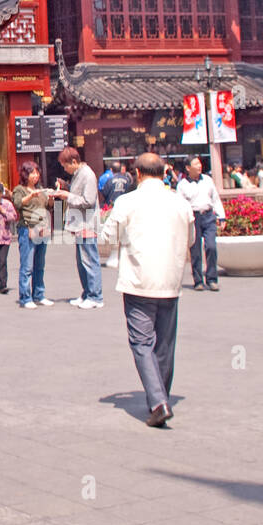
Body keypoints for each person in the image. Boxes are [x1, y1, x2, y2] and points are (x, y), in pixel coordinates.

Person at [99, 152, 194, 426]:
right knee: (164, 345)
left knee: (142, 343)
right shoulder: (179, 202)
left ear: (137, 174)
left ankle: (158, 401)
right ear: (165, 172)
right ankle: (160, 395)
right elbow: (192, 239)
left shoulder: (127, 201)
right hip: (171, 281)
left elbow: (109, 236)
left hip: (139, 281)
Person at [52, 147, 102, 308]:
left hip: (87, 223)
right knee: (82, 261)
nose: (65, 169)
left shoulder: (87, 175)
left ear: (74, 162)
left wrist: (67, 195)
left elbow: (89, 201)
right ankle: (87, 293)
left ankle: (95, 296)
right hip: (80, 224)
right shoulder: (79, 174)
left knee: (89, 261)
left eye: (65, 166)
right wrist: (66, 186)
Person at [175, 155, 225, 292]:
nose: (199, 166)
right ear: (187, 168)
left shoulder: (208, 180)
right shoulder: (182, 185)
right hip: (193, 218)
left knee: (211, 247)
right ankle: (198, 280)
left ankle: (212, 279)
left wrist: (221, 216)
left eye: (199, 163)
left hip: (208, 216)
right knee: (195, 250)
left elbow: (215, 199)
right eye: (195, 164)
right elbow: (180, 206)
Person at [12, 162, 53, 309]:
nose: (35, 176)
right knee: (27, 266)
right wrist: (30, 196)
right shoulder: (20, 189)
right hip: (27, 229)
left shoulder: (40, 189)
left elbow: (49, 206)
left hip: (42, 228)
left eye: (37, 172)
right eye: (32, 173)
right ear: (25, 174)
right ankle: (25, 297)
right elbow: (17, 203)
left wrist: (52, 196)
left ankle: (39, 294)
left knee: (39, 265)